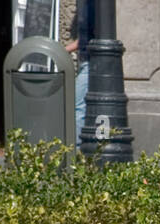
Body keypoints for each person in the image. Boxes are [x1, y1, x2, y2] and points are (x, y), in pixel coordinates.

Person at [65, 0, 96, 147]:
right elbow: (82, 40)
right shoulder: (84, 5)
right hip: (86, 61)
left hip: (92, 62)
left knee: (78, 105)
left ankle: (76, 149)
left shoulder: (92, 5)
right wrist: (62, 50)